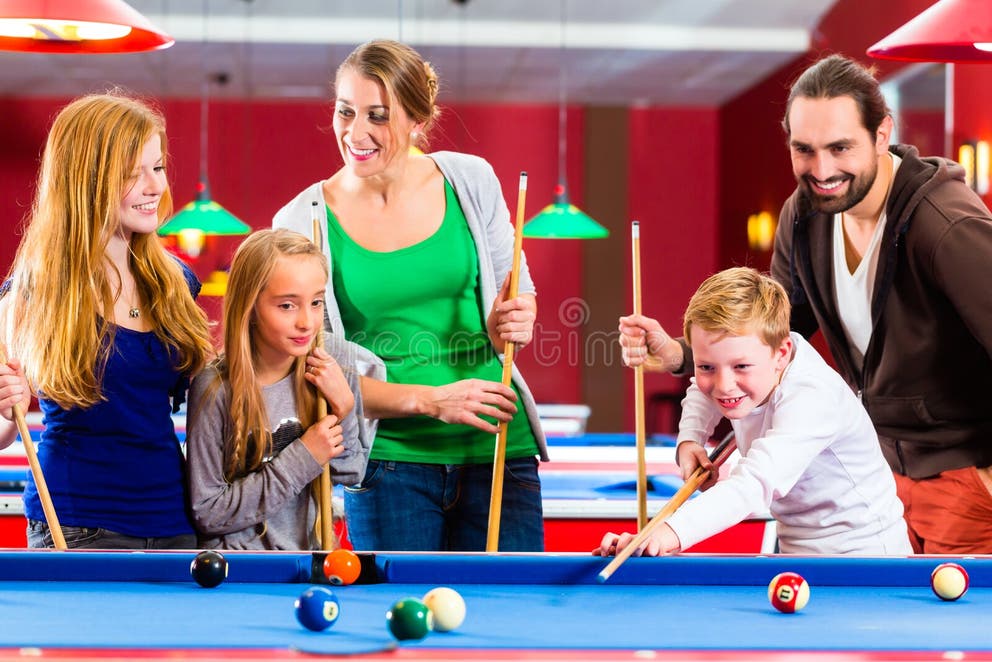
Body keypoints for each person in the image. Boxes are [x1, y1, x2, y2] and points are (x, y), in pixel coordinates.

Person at [619, 53, 992, 555]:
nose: (822, 170)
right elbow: (773, 333)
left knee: (959, 634)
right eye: (804, 149)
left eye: (840, 147)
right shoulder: (805, 214)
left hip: (960, 477)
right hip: (880, 470)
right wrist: (686, 356)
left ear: (882, 134)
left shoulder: (943, 224)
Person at [273, 39, 547, 552]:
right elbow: (311, 370)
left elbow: (517, 291)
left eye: (378, 116)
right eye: (345, 112)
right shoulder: (301, 220)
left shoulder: (471, 179)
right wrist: (432, 400)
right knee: (399, 621)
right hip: (388, 463)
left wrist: (515, 318)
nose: (356, 133)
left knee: (510, 621)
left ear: (419, 120)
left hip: (498, 448)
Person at [0, 92, 213, 549]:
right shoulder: (33, 292)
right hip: (75, 523)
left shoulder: (176, 281)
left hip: (175, 520)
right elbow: (2, 432)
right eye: (131, 174)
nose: (154, 186)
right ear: (86, 181)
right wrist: (3, 405)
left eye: (156, 167)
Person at [598, 267, 910, 556]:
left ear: (781, 353)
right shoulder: (761, 357)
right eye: (707, 365)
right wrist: (691, 439)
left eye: (741, 367)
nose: (723, 385)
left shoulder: (813, 397)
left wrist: (664, 533)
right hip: (798, 554)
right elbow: (701, 390)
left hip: (868, 557)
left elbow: (753, 485)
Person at [185, 229, 366, 550]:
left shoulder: (332, 365)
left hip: (304, 563)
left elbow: (348, 472)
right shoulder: (214, 387)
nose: (307, 322)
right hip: (233, 571)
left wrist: (345, 410)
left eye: (316, 302)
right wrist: (304, 455)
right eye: (287, 306)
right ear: (250, 306)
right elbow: (208, 512)